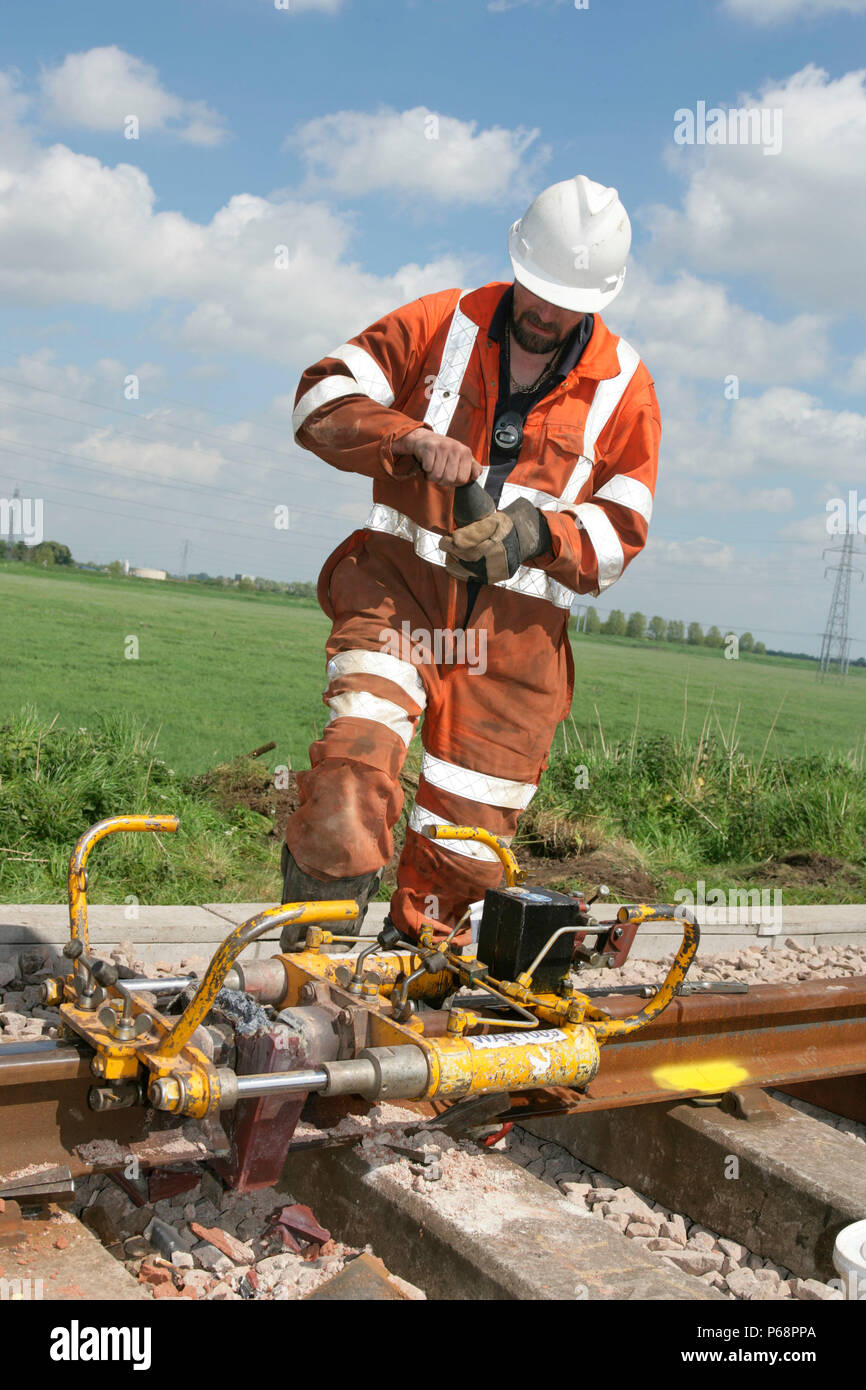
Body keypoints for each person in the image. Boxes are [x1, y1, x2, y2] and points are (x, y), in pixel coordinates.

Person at [280, 174, 660, 949]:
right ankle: (306, 972)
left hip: (513, 647)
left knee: (464, 852)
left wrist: (537, 536)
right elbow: (318, 401)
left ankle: (410, 998)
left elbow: (622, 533)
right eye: (536, 292)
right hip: (397, 599)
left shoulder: (626, 387)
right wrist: (408, 439)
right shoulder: (441, 321)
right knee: (352, 774)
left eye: (567, 304)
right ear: (516, 264)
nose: (545, 315)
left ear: (600, 300)